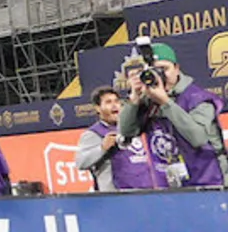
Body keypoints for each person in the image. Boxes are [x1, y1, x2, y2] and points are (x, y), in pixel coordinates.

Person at [118, 41, 226, 188]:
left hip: (208, 181)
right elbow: (127, 132)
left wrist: (165, 102)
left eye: (164, 69)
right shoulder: (149, 99)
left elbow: (198, 138)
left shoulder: (198, 98)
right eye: (155, 71)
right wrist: (134, 100)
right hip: (168, 184)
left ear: (176, 68)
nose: (161, 76)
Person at [75, 85, 165, 192]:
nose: (114, 105)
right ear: (98, 108)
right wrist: (102, 148)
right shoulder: (93, 133)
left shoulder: (130, 127)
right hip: (116, 195)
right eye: (108, 102)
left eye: (116, 101)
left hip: (144, 190)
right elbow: (81, 163)